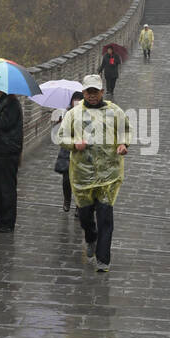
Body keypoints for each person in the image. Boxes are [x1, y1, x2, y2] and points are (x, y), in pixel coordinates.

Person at [57, 74, 130, 272]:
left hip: (109, 173)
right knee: (86, 216)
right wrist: (75, 144)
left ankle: (103, 259)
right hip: (82, 174)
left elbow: (125, 130)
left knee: (105, 215)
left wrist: (123, 143)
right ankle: (90, 237)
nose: (91, 95)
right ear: (83, 92)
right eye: (88, 91)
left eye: (95, 91)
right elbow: (61, 136)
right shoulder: (74, 114)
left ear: (102, 92)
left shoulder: (115, 112)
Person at [0, 89, 23, 230]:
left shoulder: (12, 104)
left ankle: (7, 222)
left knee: (6, 188)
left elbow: (4, 123)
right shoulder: (1, 102)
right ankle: (0, 220)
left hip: (7, 152)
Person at [54, 91, 83, 211]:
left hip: (81, 152)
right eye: (74, 99)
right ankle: (66, 200)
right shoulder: (66, 113)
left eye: (79, 100)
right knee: (67, 179)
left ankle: (78, 205)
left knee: (79, 180)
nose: (76, 102)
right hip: (67, 151)